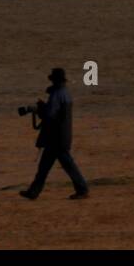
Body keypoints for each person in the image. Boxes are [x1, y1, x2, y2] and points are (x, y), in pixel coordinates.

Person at [20, 68, 89, 201]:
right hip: (61, 136)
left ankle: (82, 189)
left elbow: (50, 115)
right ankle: (33, 192)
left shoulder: (57, 94)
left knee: (59, 166)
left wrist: (39, 109)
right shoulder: (65, 93)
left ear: (55, 80)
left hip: (56, 138)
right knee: (47, 166)